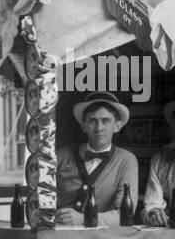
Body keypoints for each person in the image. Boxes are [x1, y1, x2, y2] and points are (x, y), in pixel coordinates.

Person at [54, 91, 139, 228]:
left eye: (105, 121)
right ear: (84, 126)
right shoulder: (61, 156)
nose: (99, 128)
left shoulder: (127, 160)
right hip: (59, 233)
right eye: (93, 121)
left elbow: (125, 215)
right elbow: (42, 200)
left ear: (117, 126)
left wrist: (84, 218)